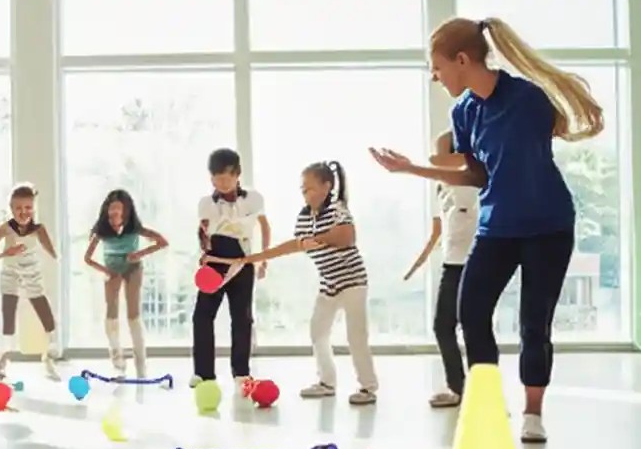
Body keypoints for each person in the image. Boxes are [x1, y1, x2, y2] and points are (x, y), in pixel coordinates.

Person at [369, 16, 605, 442]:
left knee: (534, 322)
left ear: (462, 59)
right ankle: (488, 403)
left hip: (547, 225)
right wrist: (411, 169)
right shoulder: (463, 112)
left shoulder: (528, 98)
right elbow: (478, 175)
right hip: (497, 226)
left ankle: (533, 414)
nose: (434, 76)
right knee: (470, 313)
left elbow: (536, 144)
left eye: (437, 67)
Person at [205, 161, 378, 405]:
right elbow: (291, 246)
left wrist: (313, 240)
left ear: (327, 187)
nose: (305, 194)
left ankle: (367, 387)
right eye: (302, 189)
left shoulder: (338, 208)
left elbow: (348, 236)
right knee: (318, 333)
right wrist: (247, 259)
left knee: (356, 336)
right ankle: (327, 382)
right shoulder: (304, 217)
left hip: (353, 281)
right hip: (328, 284)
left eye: (310, 188)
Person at [402, 130, 480, 408]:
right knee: (443, 326)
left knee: (474, 328)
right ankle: (458, 388)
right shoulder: (440, 188)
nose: (436, 159)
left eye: (441, 152)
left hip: (477, 261)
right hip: (452, 263)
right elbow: (438, 232)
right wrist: (418, 263)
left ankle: (482, 393)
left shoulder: (474, 179)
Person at [191, 148, 271, 388]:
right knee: (202, 316)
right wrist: (203, 252)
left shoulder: (254, 199)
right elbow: (203, 230)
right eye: (216, 177)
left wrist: (263, 258)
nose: (222, 182)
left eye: (227, 176)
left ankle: (241, 372)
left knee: (242, 317)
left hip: (242, 262)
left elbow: (264, 227)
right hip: (214, 262)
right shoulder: (206, 203)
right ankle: (203, 373)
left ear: (238, 175)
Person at [83, 189, 169, 378]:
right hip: (112, 270)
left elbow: (162, 241)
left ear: (126, 212)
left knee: (133, 315)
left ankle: (140, 362)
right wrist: (107, 272)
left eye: (118, 210)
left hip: (132, 269)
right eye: (111, 210)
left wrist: (139, 254)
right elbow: (87, 258)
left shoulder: (134, 229)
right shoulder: (101, 231)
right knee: (111, 315)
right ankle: (118, 360)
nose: (114, 215)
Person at [0, 184, 61, 381]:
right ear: (11, 208)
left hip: (32, 276)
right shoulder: (5, 229)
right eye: (19, 208)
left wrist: (59, 258)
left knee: (46, 316)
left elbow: (53, 252)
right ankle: (3, 359)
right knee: (9, 319)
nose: (24, 212)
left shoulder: (39, 230)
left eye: (28, 208)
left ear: (33, 208)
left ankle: (48, 357)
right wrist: (5, 254)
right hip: (11, 276)